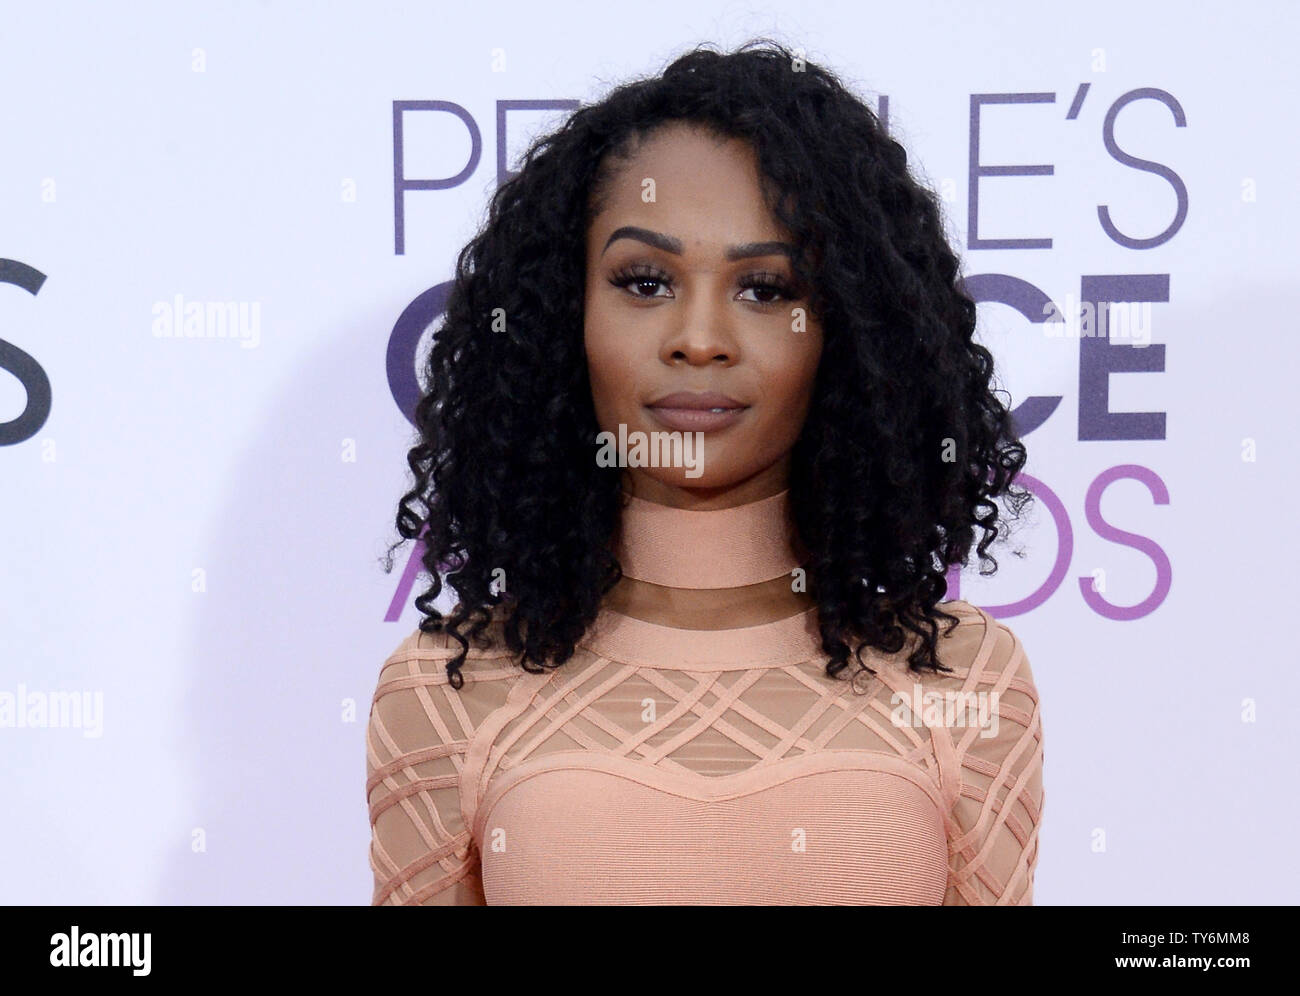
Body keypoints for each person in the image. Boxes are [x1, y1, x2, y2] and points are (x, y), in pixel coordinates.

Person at [367, 39, 1044, 905]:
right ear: (563, 318)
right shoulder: (448, 689)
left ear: (847, 332)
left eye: (766, 289)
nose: (698, 337)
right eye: (645, 281)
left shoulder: (965, 680)